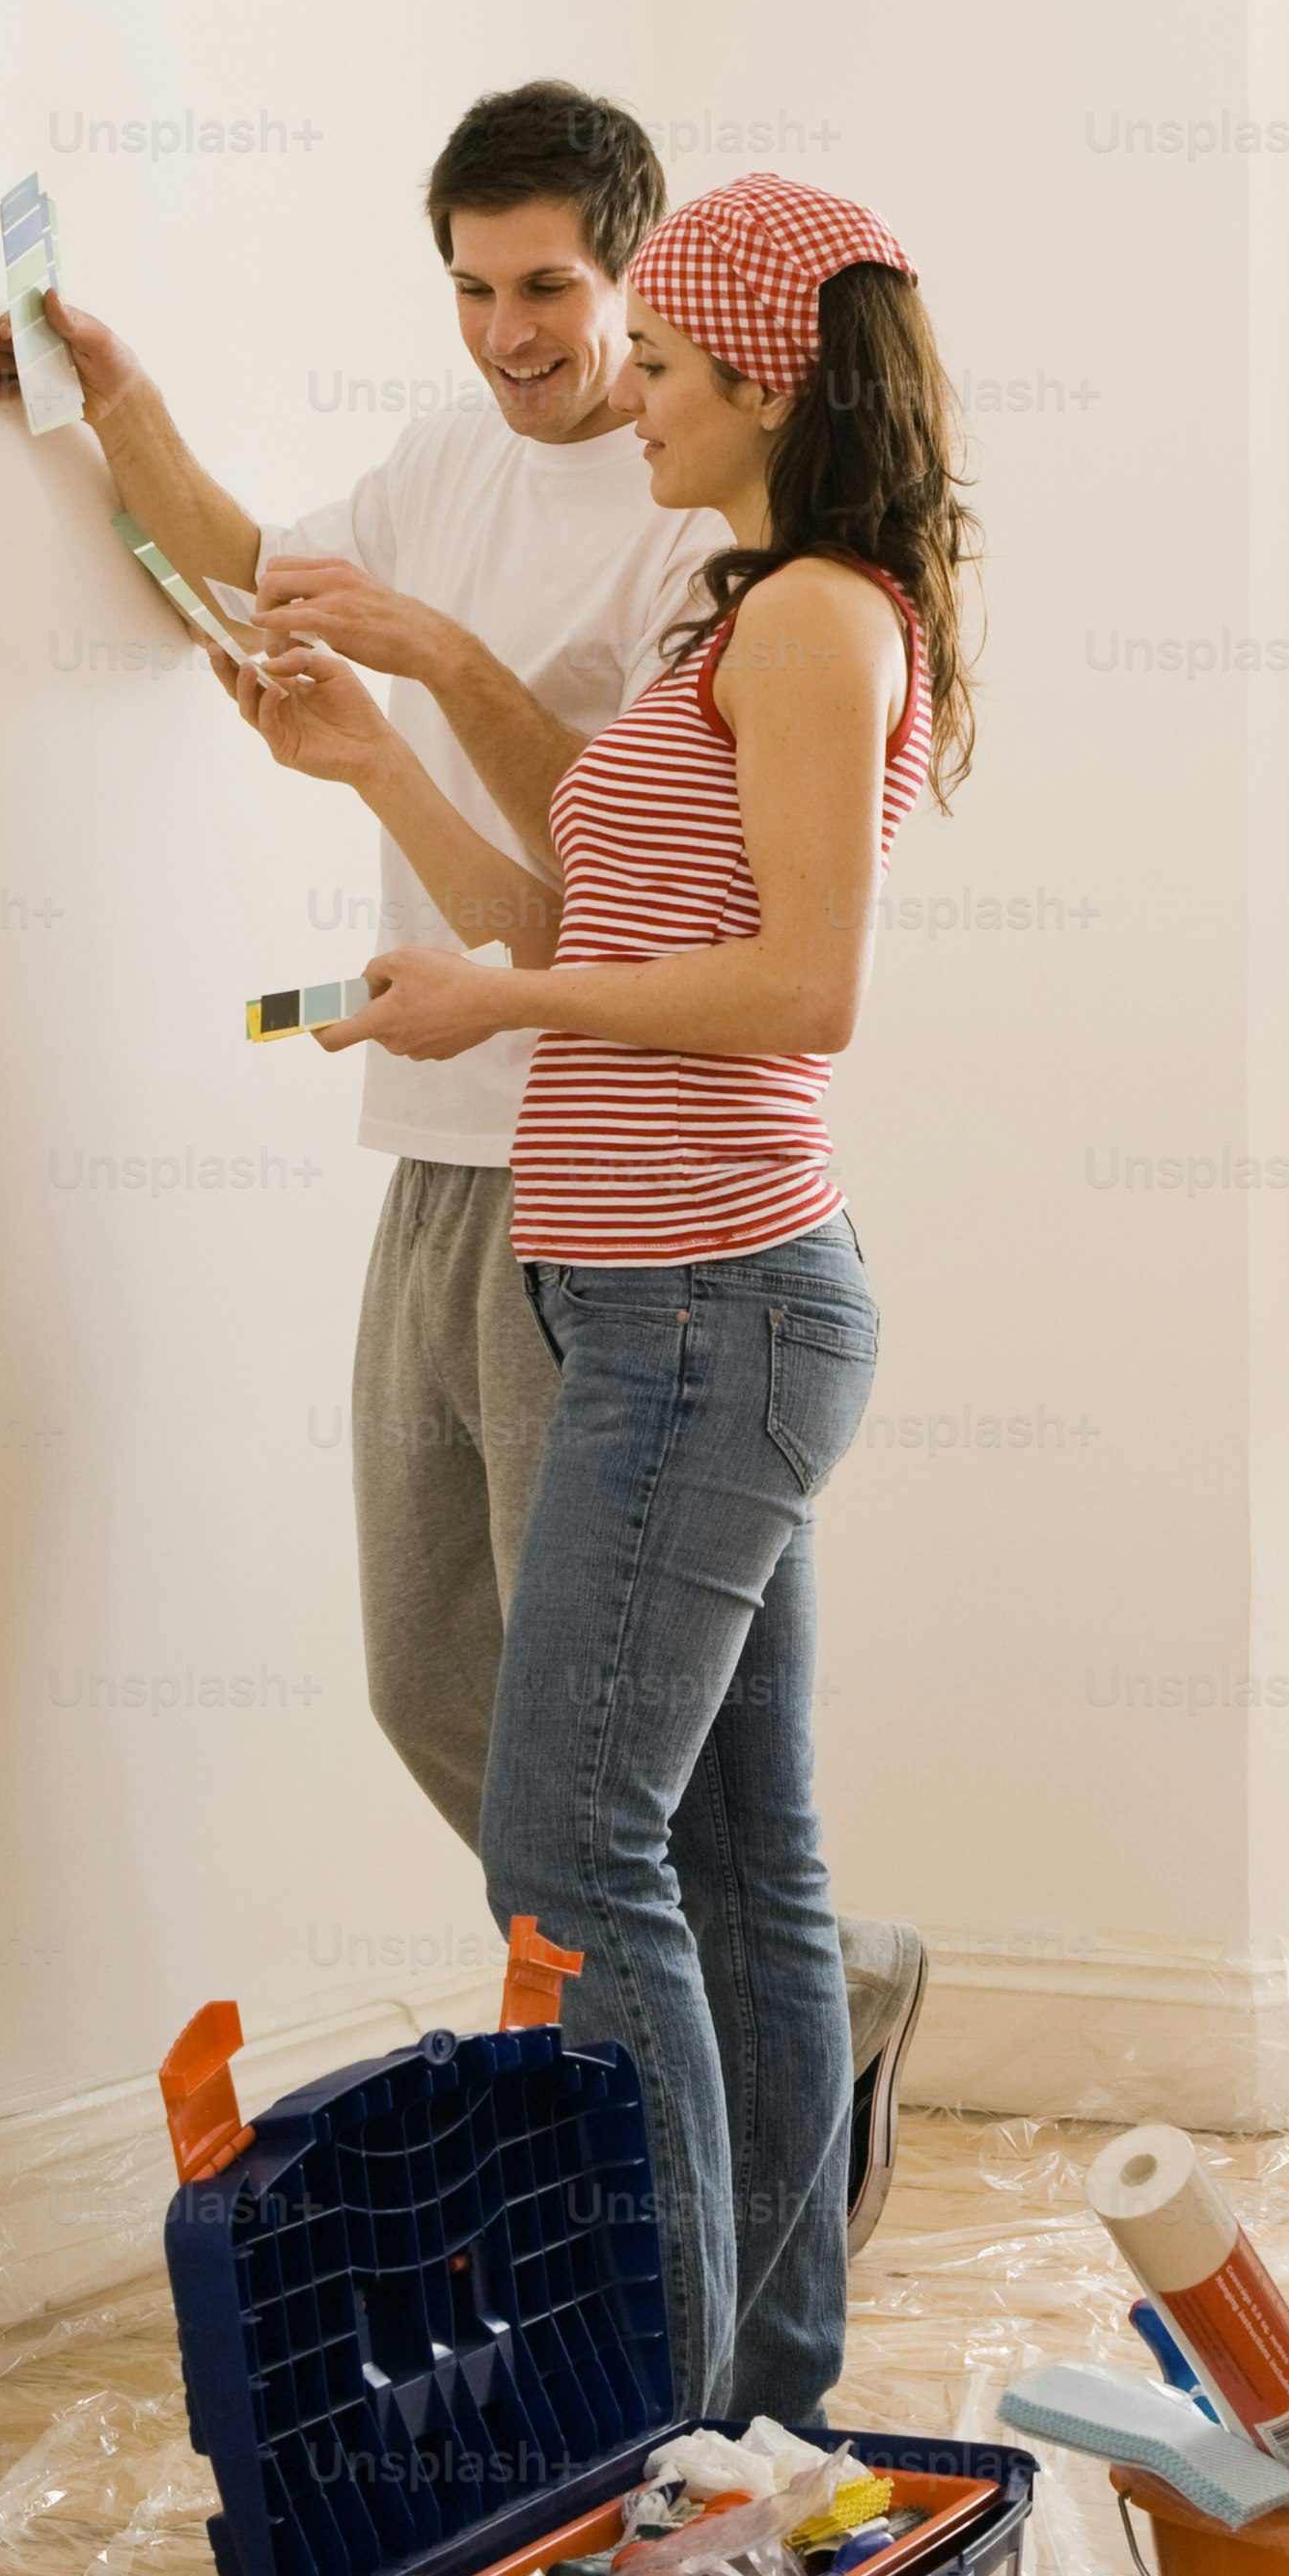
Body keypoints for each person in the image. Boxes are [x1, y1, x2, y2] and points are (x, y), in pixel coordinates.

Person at [232, 171, 975, 2428]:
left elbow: (805, 990)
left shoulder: (828, 617)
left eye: (658, 360)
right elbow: (579, 899)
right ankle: (761, 2405)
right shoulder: (735, 616)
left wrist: (510, 998)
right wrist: (380, 774)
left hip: (715, 1309)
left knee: (571, 1845)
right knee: (745, 1877)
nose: (623, 392)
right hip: (652, 1308)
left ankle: (649, 2406)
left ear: (763, 374)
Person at [0, 84, 724, 1853]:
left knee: (582, 1718)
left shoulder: (689, 508)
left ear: (632, 273)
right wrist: (111, 410)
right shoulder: (443, 460)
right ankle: (801, 1992)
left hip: (599, 1159)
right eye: (472, 292)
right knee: (435, 1681)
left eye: (544, 290)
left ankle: (681, 2061)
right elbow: (242, 585)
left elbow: (616, 879)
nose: (508, 338)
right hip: (435, 1140)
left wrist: (444, 664)